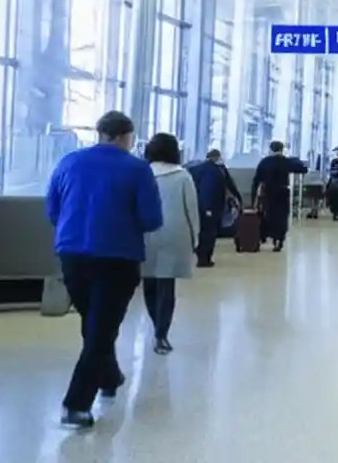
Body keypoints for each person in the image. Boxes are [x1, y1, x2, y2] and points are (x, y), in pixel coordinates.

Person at [46, 111, 163, 430]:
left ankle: (109, 376)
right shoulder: (137, 169)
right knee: (100, 329)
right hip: (117, 257)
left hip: (72, 253)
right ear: (127, 136)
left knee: (95, 322)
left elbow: (52, 210)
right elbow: (152, 219)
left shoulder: (68, 162)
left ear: (100, 133)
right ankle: (76, 405)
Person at [141, 133, 198, 356]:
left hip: (145, 234)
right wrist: (195, 237)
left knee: (149, 282)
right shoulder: (183, 176)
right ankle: (161, 333)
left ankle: (156, 325)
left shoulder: (142, 174)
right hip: (175, 234)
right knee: (167, 285)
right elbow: (191, 210)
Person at [187, 149, 241, 268]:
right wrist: (209, 208)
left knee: (200, 231)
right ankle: (204, 258)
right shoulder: (216, 171)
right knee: (209, 232)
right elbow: (209, 190)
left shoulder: (195, 169)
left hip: (196, 205)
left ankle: (199, 253)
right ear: (217, 157)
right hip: (210, 206)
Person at [252, 141, 308, 252]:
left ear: (270, 149)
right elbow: (303, 168)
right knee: (281, 216)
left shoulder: (265, 162)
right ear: (282, 149)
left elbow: (256, 179)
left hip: (268, 192)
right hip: (282, 192)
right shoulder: (286, 161)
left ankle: (264, 236)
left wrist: (254, 196)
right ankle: (279, 240)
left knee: (267, 214)